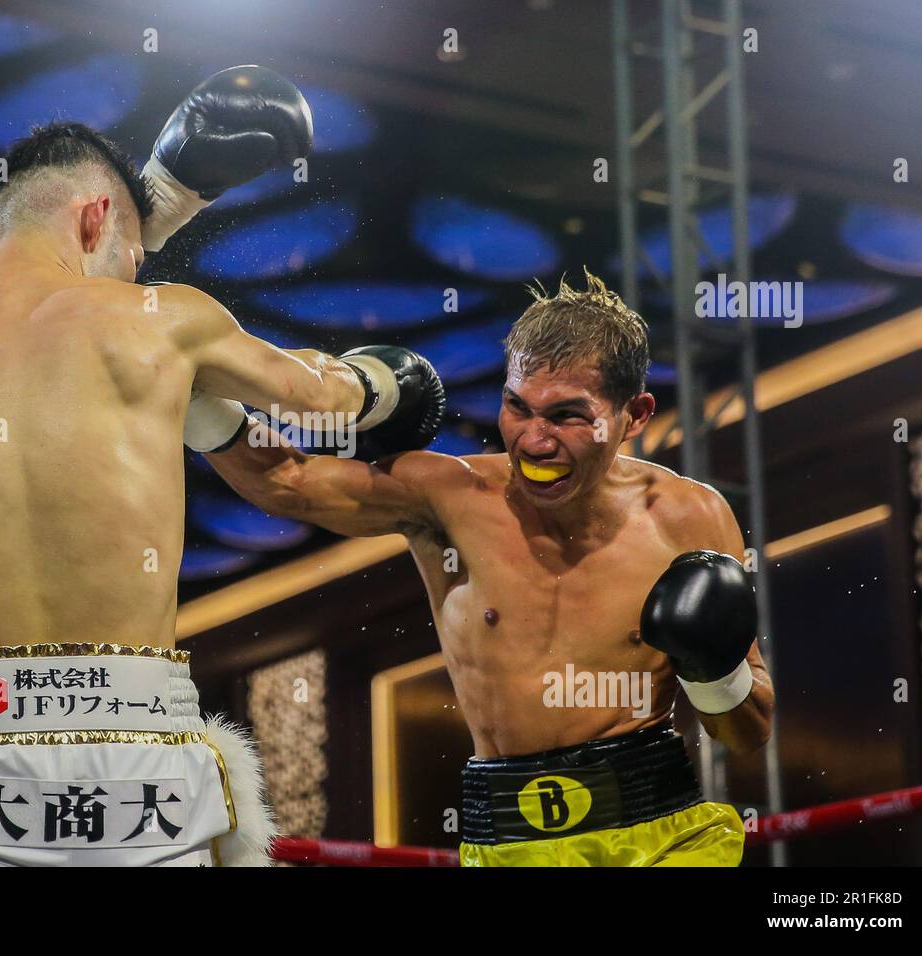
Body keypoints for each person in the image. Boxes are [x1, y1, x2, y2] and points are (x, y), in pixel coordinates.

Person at [0, 66, 445, 867]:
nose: (135, 277)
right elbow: (316, 396)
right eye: (132, 256)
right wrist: (389, 383)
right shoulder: (166, 323)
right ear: (94, 219)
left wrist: (144, 215)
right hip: (136, 764)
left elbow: (47, 338)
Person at [196, 269, 774, 866]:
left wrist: (712, 669)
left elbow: (749, 732)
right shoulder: (451, 495)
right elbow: (287, 481)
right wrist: (190, 391)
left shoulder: (689, 517)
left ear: (635, 415)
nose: (534, 441)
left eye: (567, 415)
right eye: (518, 407)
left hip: (665, 840)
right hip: (507, 846)